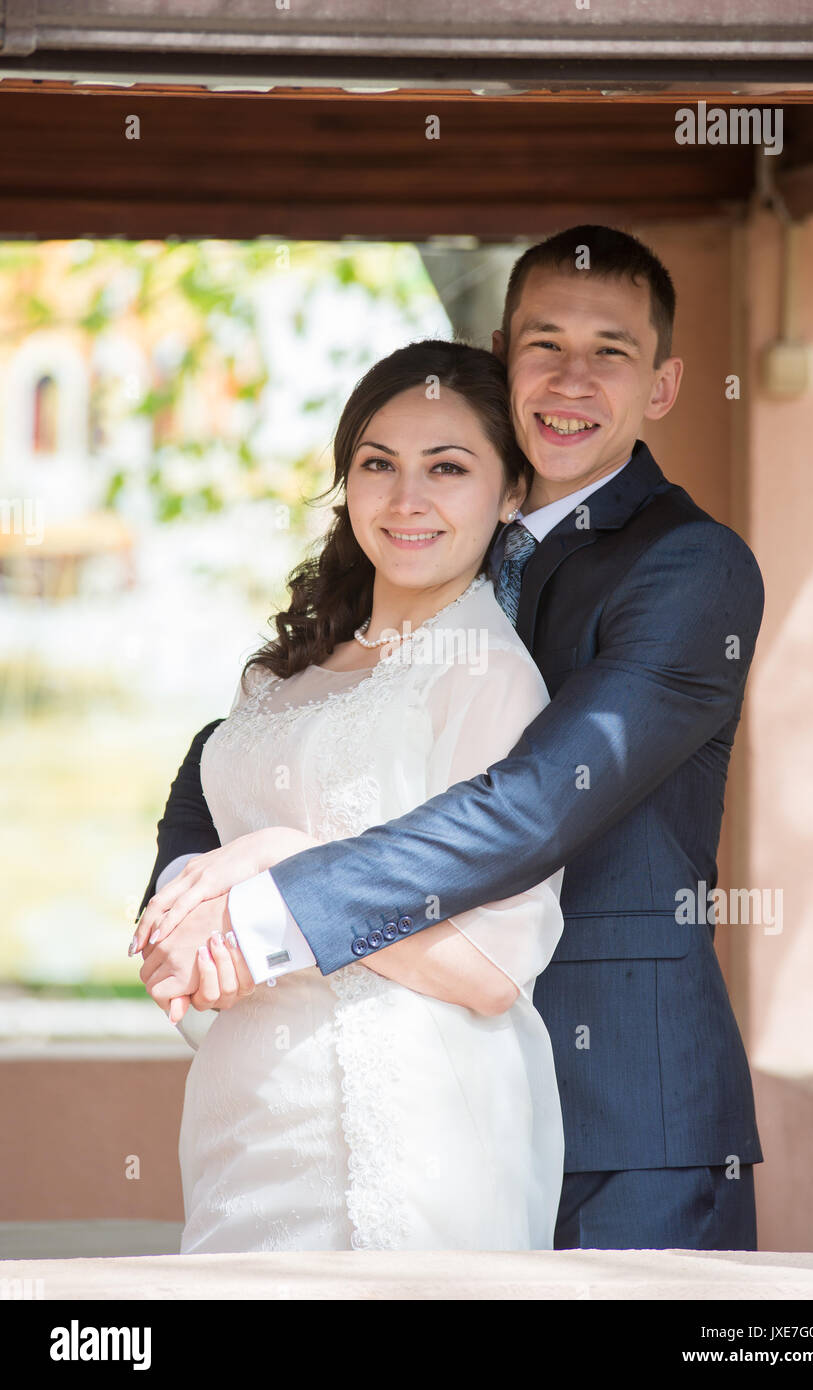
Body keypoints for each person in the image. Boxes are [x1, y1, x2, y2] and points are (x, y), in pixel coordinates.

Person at [133, 224, 765, 1251]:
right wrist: (188, 881)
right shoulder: (439, 548)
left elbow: (533, 801)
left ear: (663, 382)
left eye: (610, 350)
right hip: (423, 1079)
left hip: (623, 1110)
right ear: (503, 353)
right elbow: (261, 733)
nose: (570, 378)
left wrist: (281, 883)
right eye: (543, 344)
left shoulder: (690, 567)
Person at [140, 339, 567, 1252]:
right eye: (378, 464)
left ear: (510, 494)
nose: (406, 500)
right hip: (246, 1117)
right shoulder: (282, 672)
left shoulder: (487, 676)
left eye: (447, 468)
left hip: (398, 1125)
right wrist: (179, 920)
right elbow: (214, 842)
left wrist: (286, 868)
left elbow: (493, 974)